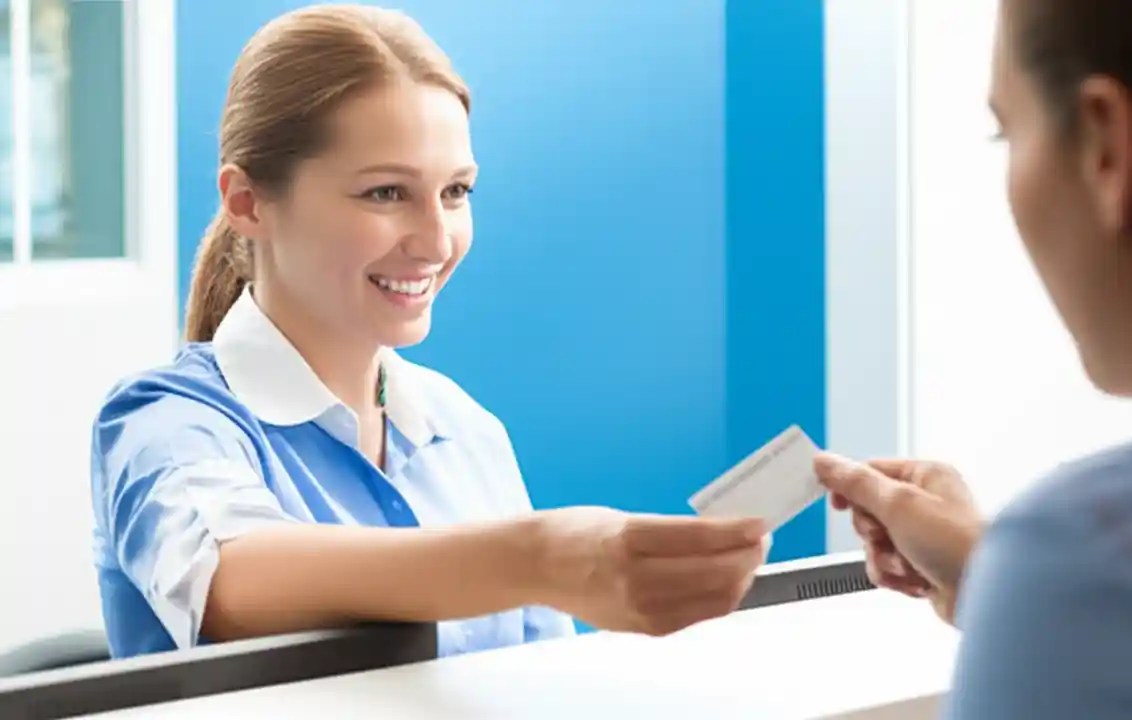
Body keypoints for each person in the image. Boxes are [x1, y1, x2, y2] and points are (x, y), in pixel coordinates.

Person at [90, 4, 767, 660]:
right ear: (247, 203)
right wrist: (541, 557)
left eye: (456, 192)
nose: (437, 242)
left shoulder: (466, 432)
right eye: (386, 192)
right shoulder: (165, 422)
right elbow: (232, 580)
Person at [817, 0, 1132, 717]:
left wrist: (1046, 587)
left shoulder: (1095, 553)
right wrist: (997, 586)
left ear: (1107, 146)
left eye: (1006, 128)